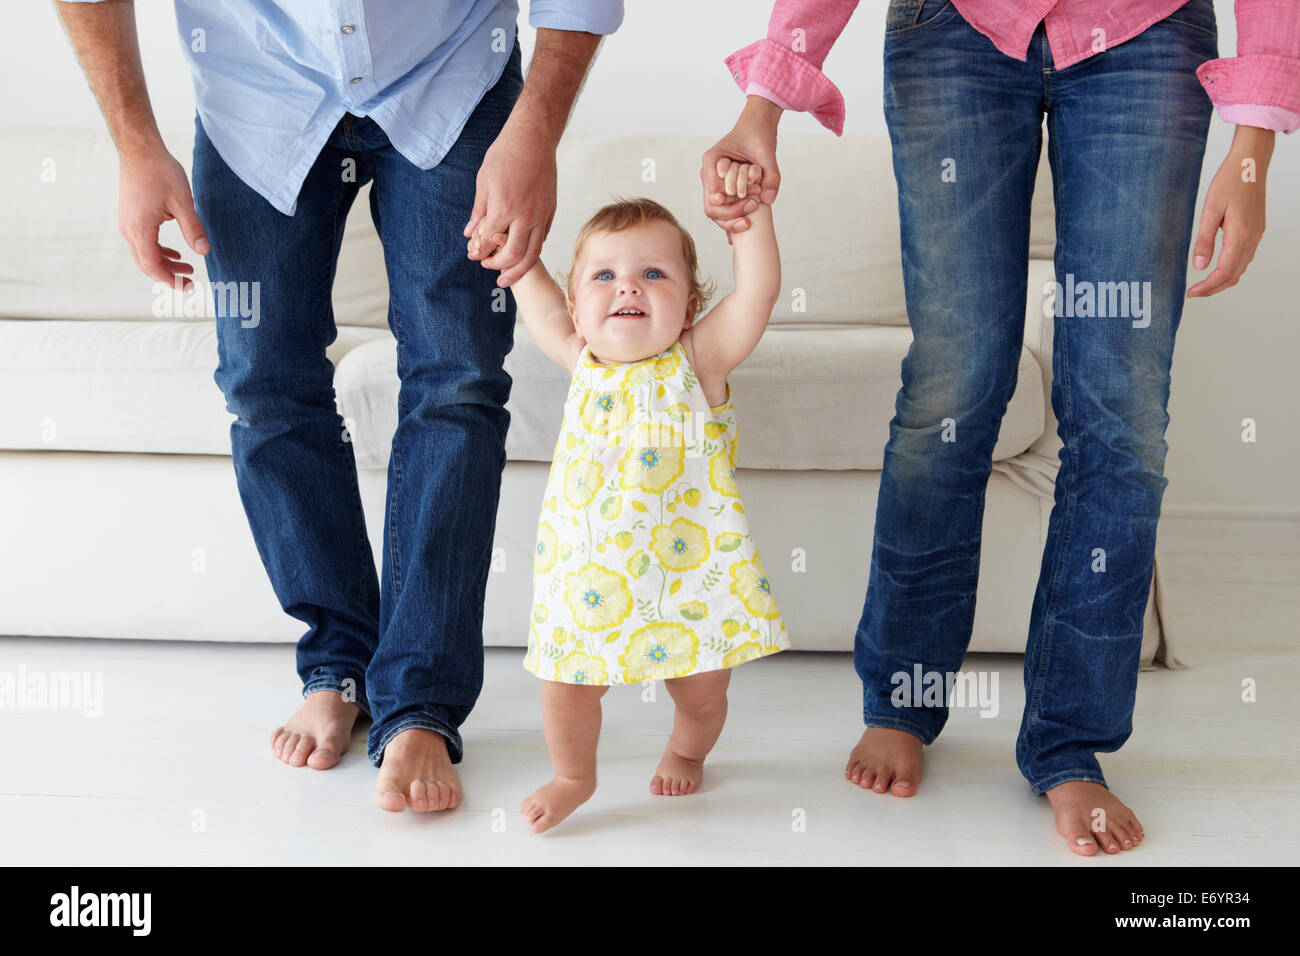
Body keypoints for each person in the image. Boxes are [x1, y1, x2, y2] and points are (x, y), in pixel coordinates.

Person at [702, 0, 1296, 855]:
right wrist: (764, 103)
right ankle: (903, 698)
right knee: (955, 385)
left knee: (1121, 412)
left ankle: (1069, 738)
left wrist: (1253, 145)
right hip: (953, 31)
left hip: (1146, 36)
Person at [56, 0, 624, 813]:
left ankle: (420, 697)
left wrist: (538, 120)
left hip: (451, 75)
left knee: (458, 379)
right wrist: (134, 140)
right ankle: (339, 660)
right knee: (263, 383)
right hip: (254, 88)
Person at [475, 186, 790, 832]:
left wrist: (750, 217)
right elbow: (531, 293)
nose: (629, 289)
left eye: (653, 273)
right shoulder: (581, 360)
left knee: (702, 694)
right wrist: (511, 246)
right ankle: (574, 775)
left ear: (691, 305)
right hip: (588, 579)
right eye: (605, 276)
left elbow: (756, 294)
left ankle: (687, 747)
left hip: (689, 579)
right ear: (577, 309)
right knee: (564, 688)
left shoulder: (698, 361)